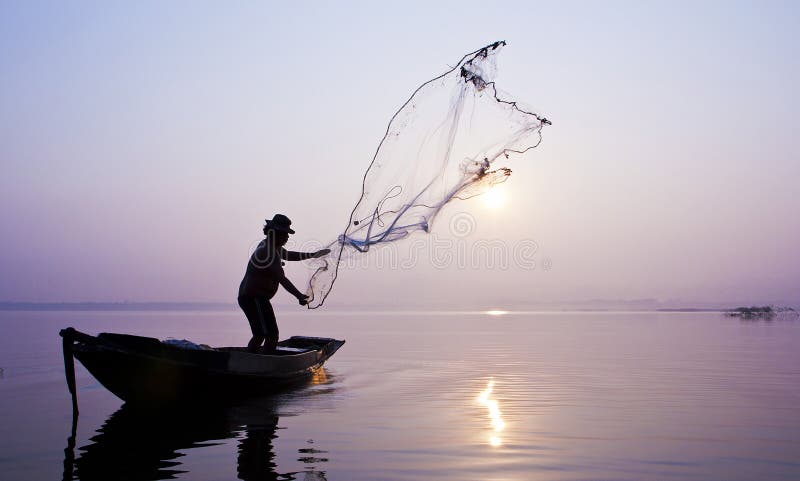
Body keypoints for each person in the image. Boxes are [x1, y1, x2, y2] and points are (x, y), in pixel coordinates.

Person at [238, 214, 329, 353]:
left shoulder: (272, 246)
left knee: (262, 334)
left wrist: (313, 254)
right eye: (285, 234)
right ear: (275, 233)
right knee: (270, 335)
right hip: (253, 298)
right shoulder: (268, 251)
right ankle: (262, 364)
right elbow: (282, 279)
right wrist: (299, 295)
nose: (287, 237)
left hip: (252, 298)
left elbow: (290, 255)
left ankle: (253, 360)